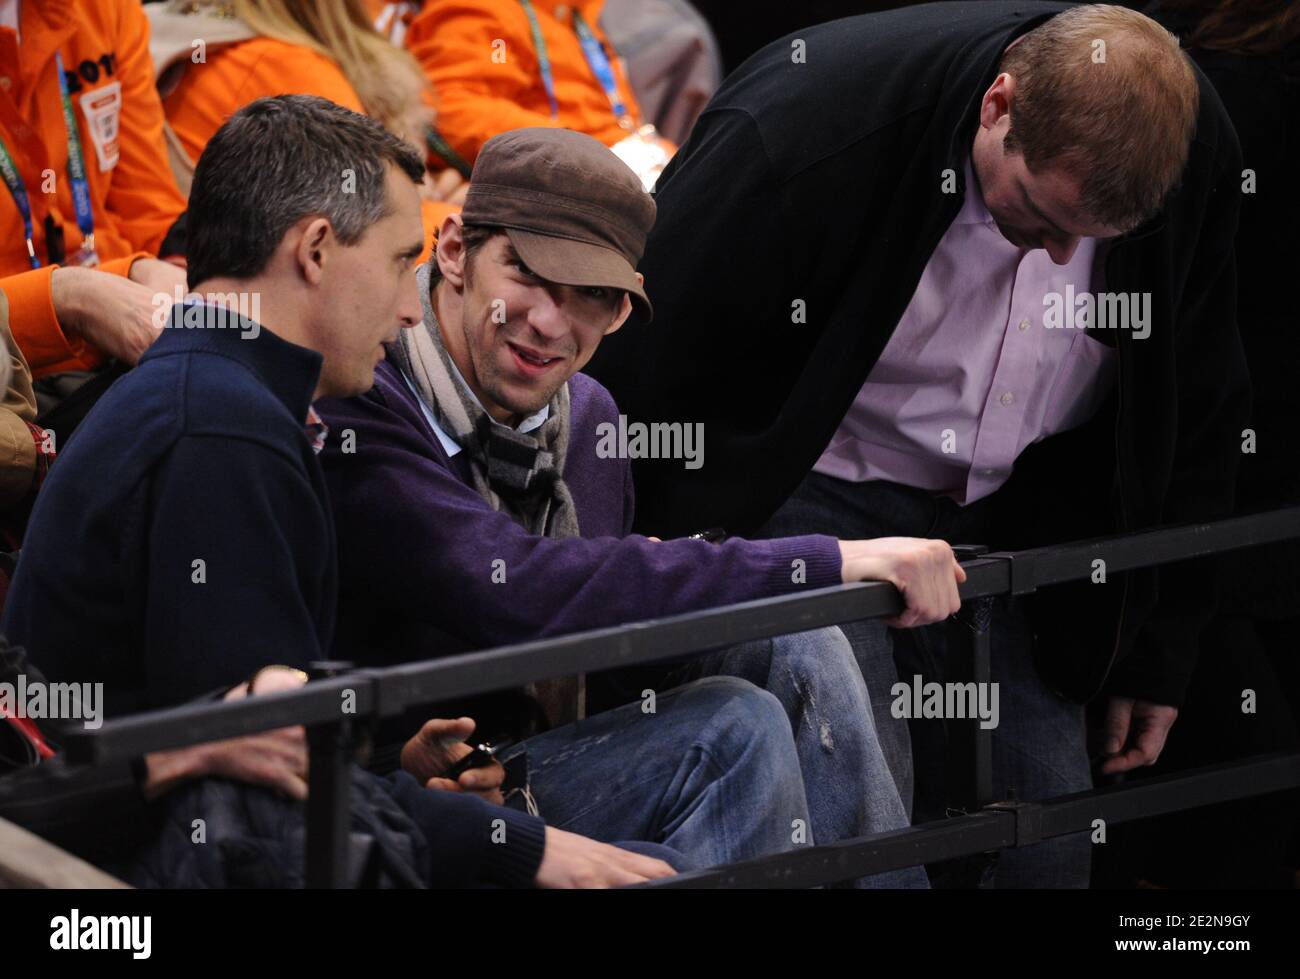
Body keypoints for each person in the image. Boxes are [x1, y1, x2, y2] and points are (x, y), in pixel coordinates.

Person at [0, 94, 829, 887]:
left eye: (598, 301)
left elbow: (261, 757)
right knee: (721, 744)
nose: (409, 307)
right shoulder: (224, 424)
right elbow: (262, 790)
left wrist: (404, 767)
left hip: (219, 836)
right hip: (128, 880)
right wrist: (519, 847)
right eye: (404, 262)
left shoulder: (219, 394)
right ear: (316, 249)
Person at [585, 2, 1250, 887]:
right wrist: (647, 581)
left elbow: (1201, 408)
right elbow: (644, 367)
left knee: (1046, 846)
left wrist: (1162, 649)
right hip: (805, 492)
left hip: (1022, 516)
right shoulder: (805, 127)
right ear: (998, 104)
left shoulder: (1194, 155)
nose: (1060, 258)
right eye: (1041, 218)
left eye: (1094, 239)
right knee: (870, 825)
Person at [318, 126, 970, 888]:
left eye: (594, 297)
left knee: (802, 639)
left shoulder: (589, 414)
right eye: (527, 275)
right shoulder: (360, 388)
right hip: (386, 796)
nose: (552, 323)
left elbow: (599, 622)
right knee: (733, 728)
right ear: (456, 250)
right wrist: (826, 556)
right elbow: (514, 586)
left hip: (533, 756)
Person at [0, 0, 187, 375]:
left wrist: (178, 274)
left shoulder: (106, 9)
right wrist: (64, 297)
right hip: (18, 383)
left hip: (118, 350)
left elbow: (148, 205)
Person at [405, 0, 677, 188]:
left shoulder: (573, 15)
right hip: (576, 186)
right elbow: (454, 108)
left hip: (624, 170)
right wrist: (583, 153)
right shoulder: (485, 10)